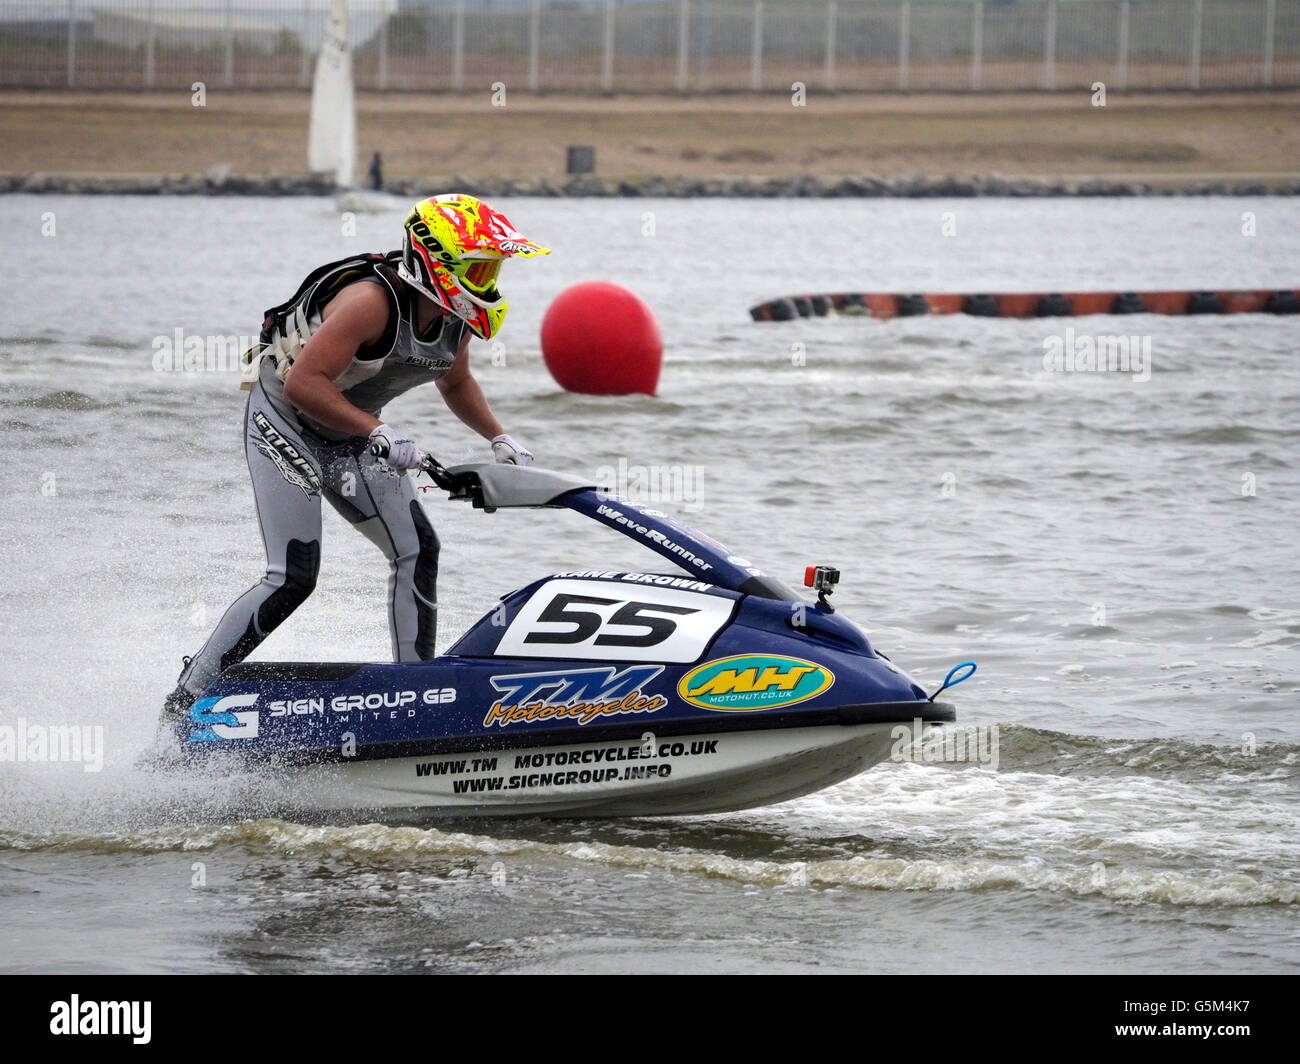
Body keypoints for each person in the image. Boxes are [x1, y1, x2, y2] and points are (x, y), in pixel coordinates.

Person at [160, 193, 549, 725]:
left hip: (352, 435)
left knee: (417, 549)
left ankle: (416, 697)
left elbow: (455, 381)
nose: (488, 281)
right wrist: (379, 429)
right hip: (287, 422)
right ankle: (184, 700)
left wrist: (500, 438)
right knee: (293, 577)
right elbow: (302, 383)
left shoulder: (458, 315)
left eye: (492, 269)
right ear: (436, 262)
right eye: (477, 268)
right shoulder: (370, 302)